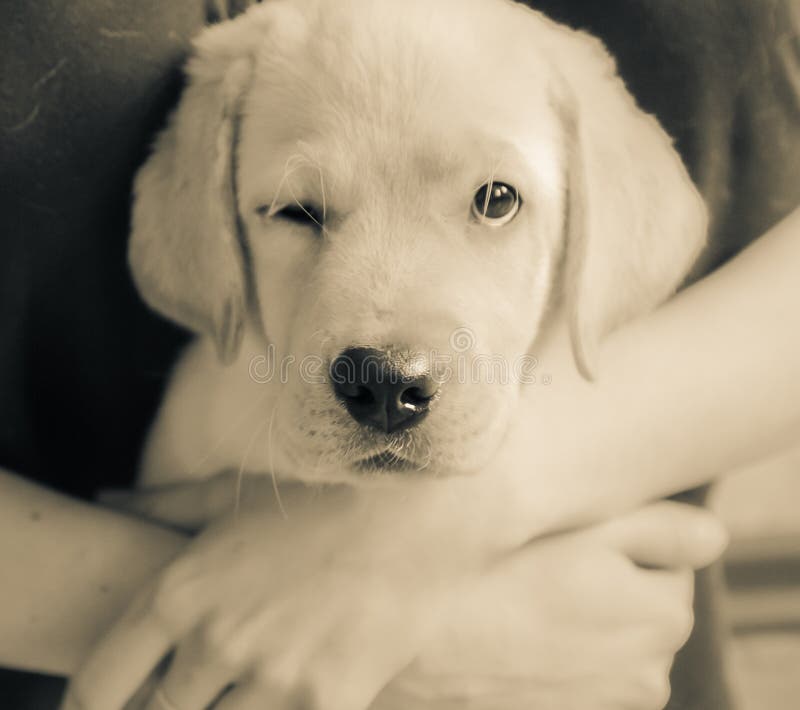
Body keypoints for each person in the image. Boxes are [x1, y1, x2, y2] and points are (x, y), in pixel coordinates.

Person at [1, 0, 798, 707]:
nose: (392, 364)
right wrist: (291, 622)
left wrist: (462, 518)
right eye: (300, 209)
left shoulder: (562, 97)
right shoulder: (250, 86)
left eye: (495, 200)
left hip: (603, 644)